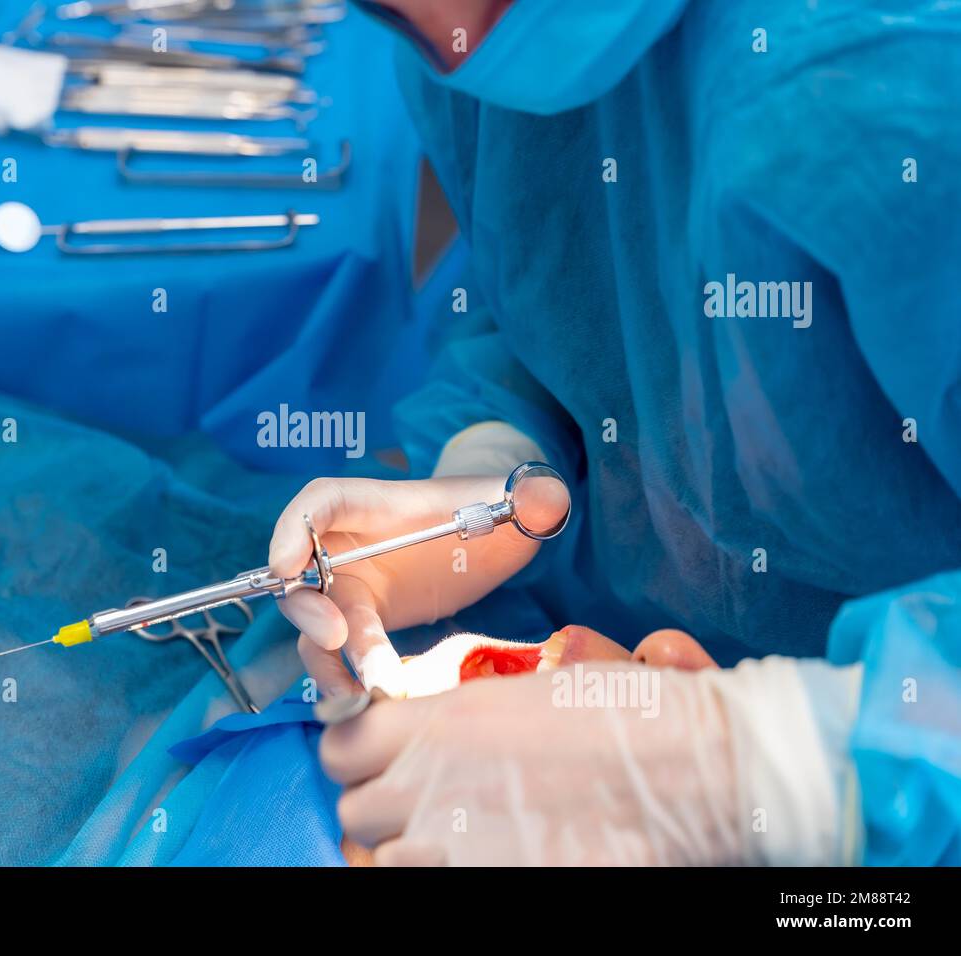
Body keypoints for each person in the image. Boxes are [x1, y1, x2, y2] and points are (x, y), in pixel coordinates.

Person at [266, 0, 961, 865]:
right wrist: (491, 467)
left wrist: (788, 764)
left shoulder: (894, 82)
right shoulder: (460, 36)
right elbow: (550, 292)